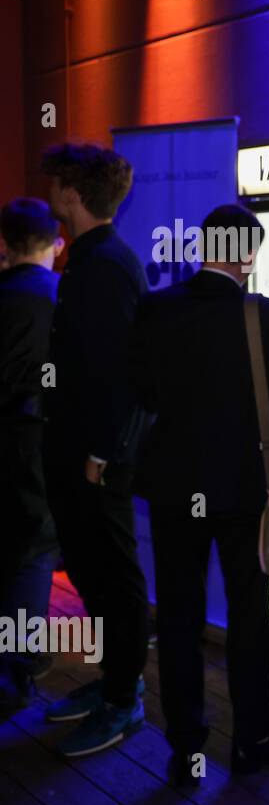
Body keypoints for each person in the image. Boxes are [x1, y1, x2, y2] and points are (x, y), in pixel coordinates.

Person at [129, 204, 269, 787]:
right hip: (241, 489)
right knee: (248, 614)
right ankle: (253, 739)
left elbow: (145, 395)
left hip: (174, 486)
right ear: (249, 254)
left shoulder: (156, 309)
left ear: (203, 246)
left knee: (178, 617)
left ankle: (186, 750)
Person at [39, 143, 150, 756]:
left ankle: (123, 699)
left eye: (56, 185)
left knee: (112, 574)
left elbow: (115, 372)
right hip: (84, 451)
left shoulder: (103, 264)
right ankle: (113, 683)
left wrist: (101, 455)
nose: (50, 194)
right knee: (92, 570)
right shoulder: (91, 258)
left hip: (96, 457)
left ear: (73, 196)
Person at [0, 199, 63, 712]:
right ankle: (17, 667)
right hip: (35, 444)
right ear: (54, 242)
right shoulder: (58, 297)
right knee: (32, 556)